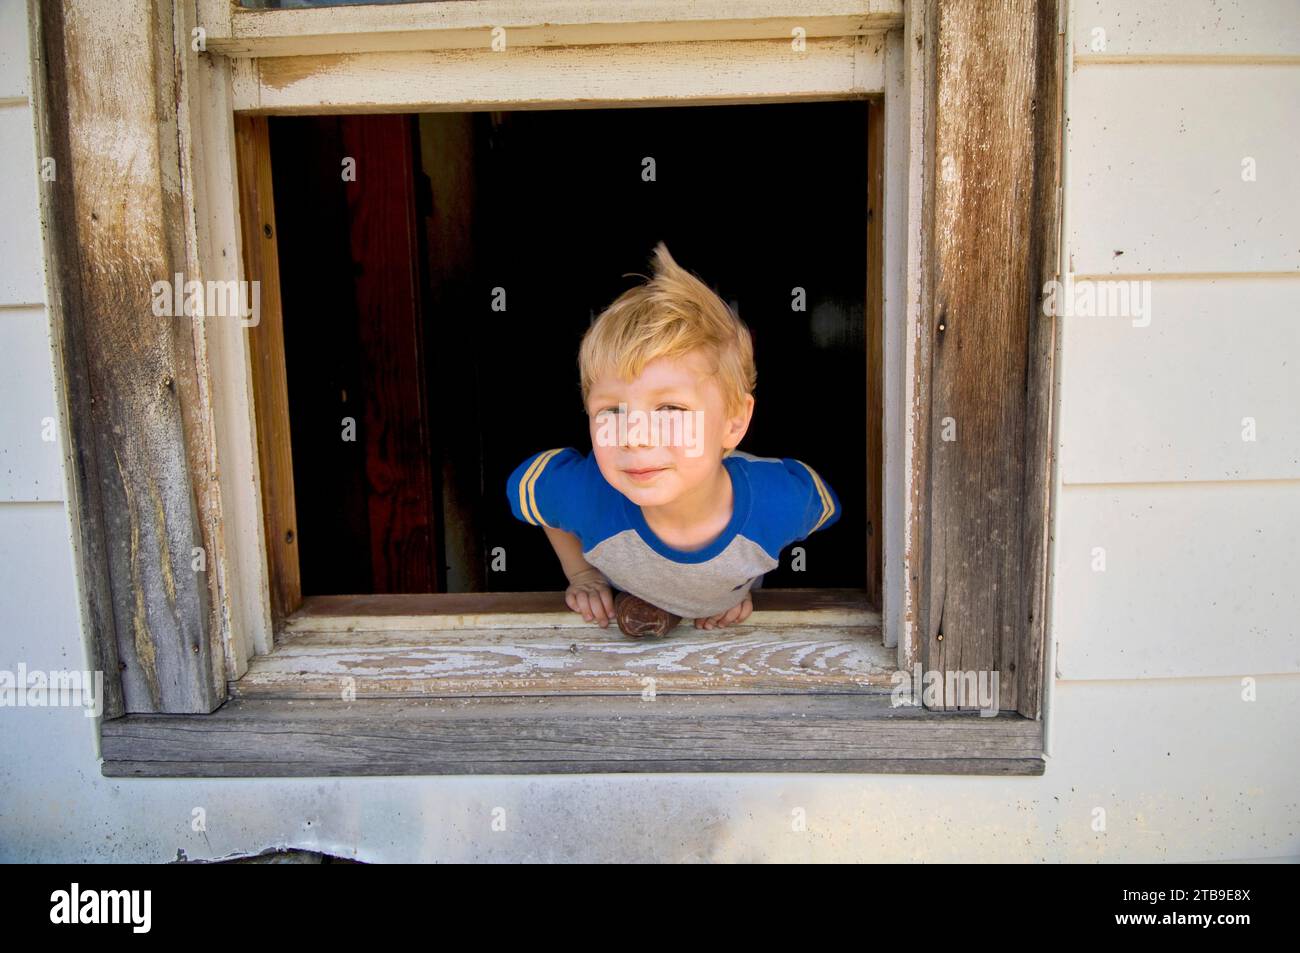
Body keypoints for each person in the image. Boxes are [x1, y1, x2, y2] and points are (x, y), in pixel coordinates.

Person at [506, 242, 841, 637]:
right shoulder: (586, 492)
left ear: (734, 422)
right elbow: (531, 487)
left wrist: (743, 585)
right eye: (611, 412)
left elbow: (825, 507)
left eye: (669, 411)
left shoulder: (782, 501)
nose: (634, 437)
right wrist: (582, 572)